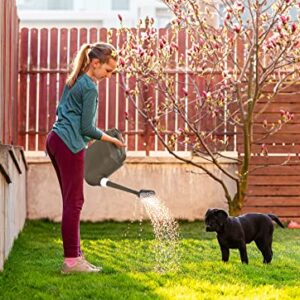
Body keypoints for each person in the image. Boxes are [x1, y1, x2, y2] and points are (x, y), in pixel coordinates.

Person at [46, 42, 126, 274]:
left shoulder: (76, 79)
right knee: (75, 202)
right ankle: (71, 261)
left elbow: (64, 111)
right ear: (95, 63)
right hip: (69, 144)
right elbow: (87, 128)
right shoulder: (90, 86)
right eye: (108, 70)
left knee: (71, 201)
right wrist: (112, 140)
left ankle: (76, 256)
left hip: (55, 140)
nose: (110, 76)